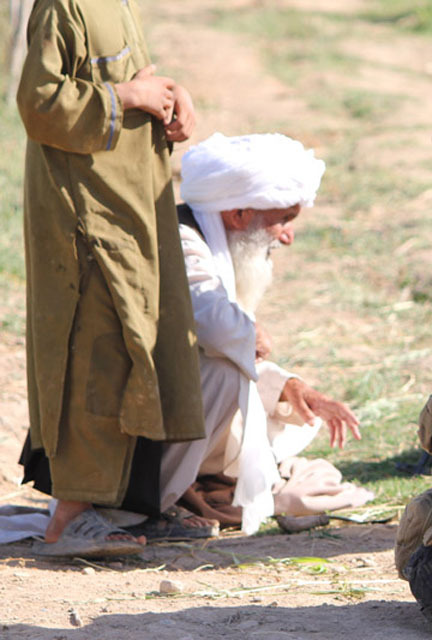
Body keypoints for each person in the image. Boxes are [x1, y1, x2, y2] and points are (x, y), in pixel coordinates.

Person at [16, 0, 206, 557]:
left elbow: (127, 80)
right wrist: (125, 98)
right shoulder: (63, 6)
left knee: (136, 348)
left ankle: (128, 506)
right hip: (85, 214)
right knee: (92, 352)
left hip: (131, 206)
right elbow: (40, 104)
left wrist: (168, 97)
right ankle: (70, 517)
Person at [157, 133, 372, 536]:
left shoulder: (222, 245)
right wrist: (251, 332)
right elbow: (216, 331)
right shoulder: (181, 239)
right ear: (238, 214)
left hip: (178, 412)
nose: (288, 237)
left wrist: (289, 385)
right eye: (283, 219)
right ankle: (160, 501)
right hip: (141, 419)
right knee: (225, 374)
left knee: (297, 489)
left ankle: (205, 487)